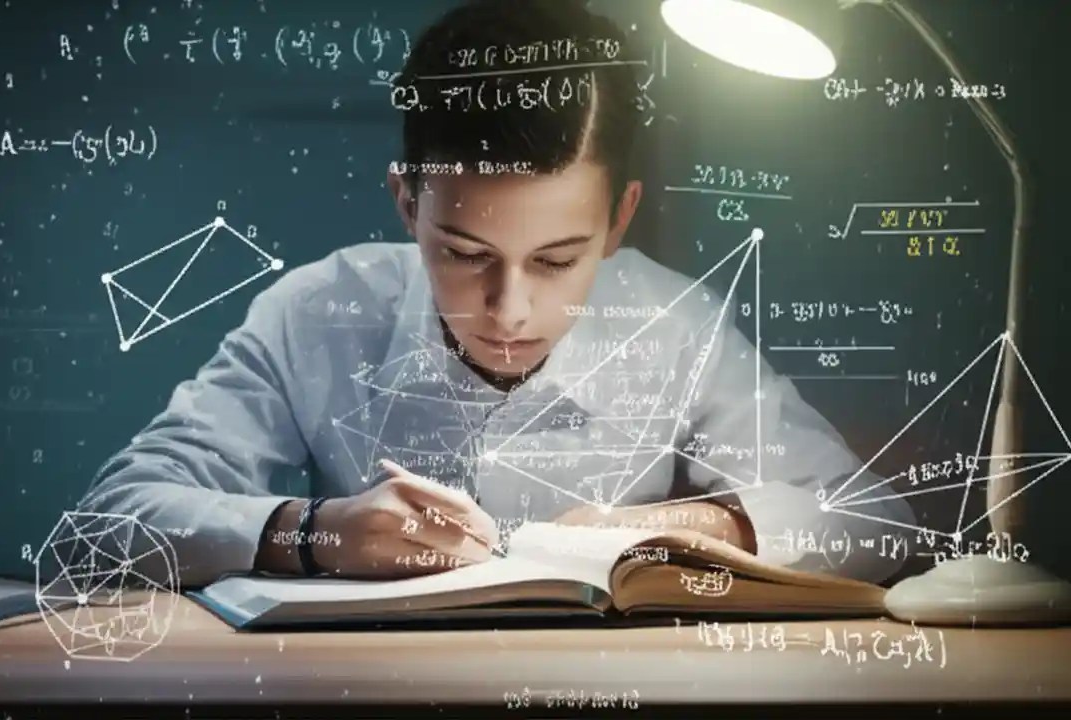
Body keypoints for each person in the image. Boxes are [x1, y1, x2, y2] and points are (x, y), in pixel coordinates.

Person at [78, 0, 915, 588]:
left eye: (557, 260)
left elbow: (876, 519)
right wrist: (314, 531)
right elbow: (105, 523)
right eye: (463, 252)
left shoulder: (675, 327)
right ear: (407, 202)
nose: (509, 311)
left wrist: (679, 530)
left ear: (620, 219)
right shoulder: (315, 312)